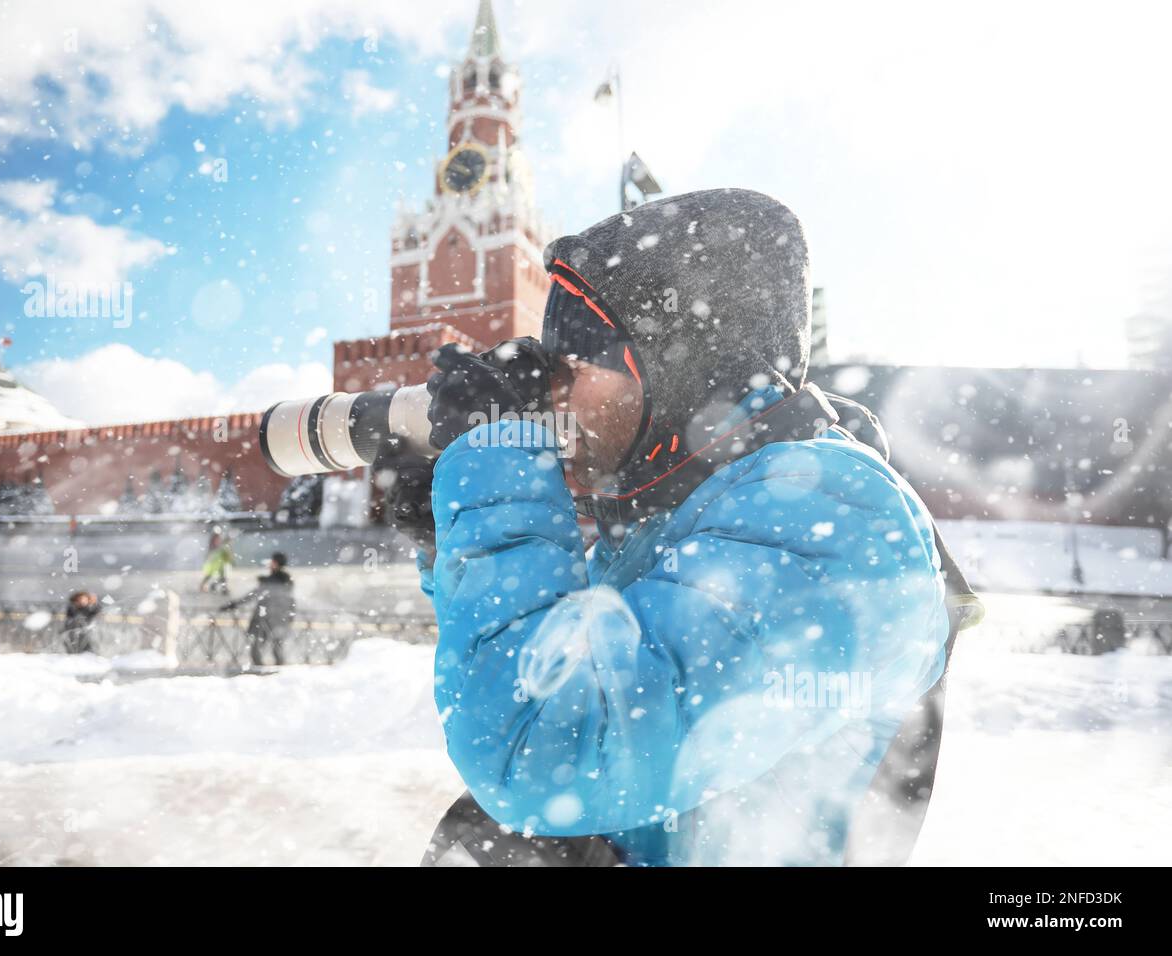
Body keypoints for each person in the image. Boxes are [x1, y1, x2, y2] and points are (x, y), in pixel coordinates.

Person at [378, 188, 957, 867]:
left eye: (573, 369)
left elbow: (541, 751)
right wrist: (448, 531)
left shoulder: (833, 514)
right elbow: (551, 655)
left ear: (678, 368)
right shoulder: (676, 519)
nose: (551, 398)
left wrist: (498, 461)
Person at [221, 552, 296, 666]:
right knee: (277, 648)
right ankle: (279, 673)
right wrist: (290, 616)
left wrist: (234, 604)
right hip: (281, 619)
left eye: (272, 561)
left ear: (275, 563)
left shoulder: (270, 582)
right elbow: (291, 601)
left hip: (265, 618)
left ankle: (261, 673)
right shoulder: (287, 582)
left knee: (257, 648)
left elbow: (252, 596)